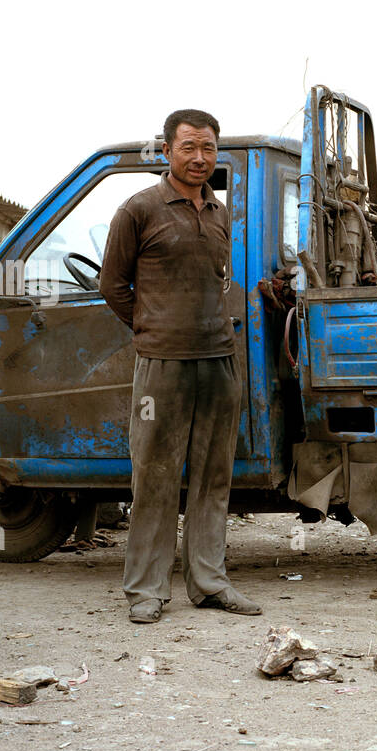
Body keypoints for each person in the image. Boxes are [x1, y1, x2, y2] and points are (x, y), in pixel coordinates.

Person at [100, 108, 261, 623]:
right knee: (156, 477)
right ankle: (147, 590)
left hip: (218, 362)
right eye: (188, 147)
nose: (199, 158)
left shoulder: (218, 212)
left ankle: (209, 582)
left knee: (214, 479)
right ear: (166, 150)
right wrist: (151, 329)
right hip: (162, 366)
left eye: (208, 148)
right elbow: (112, 285)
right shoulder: (139, 209)